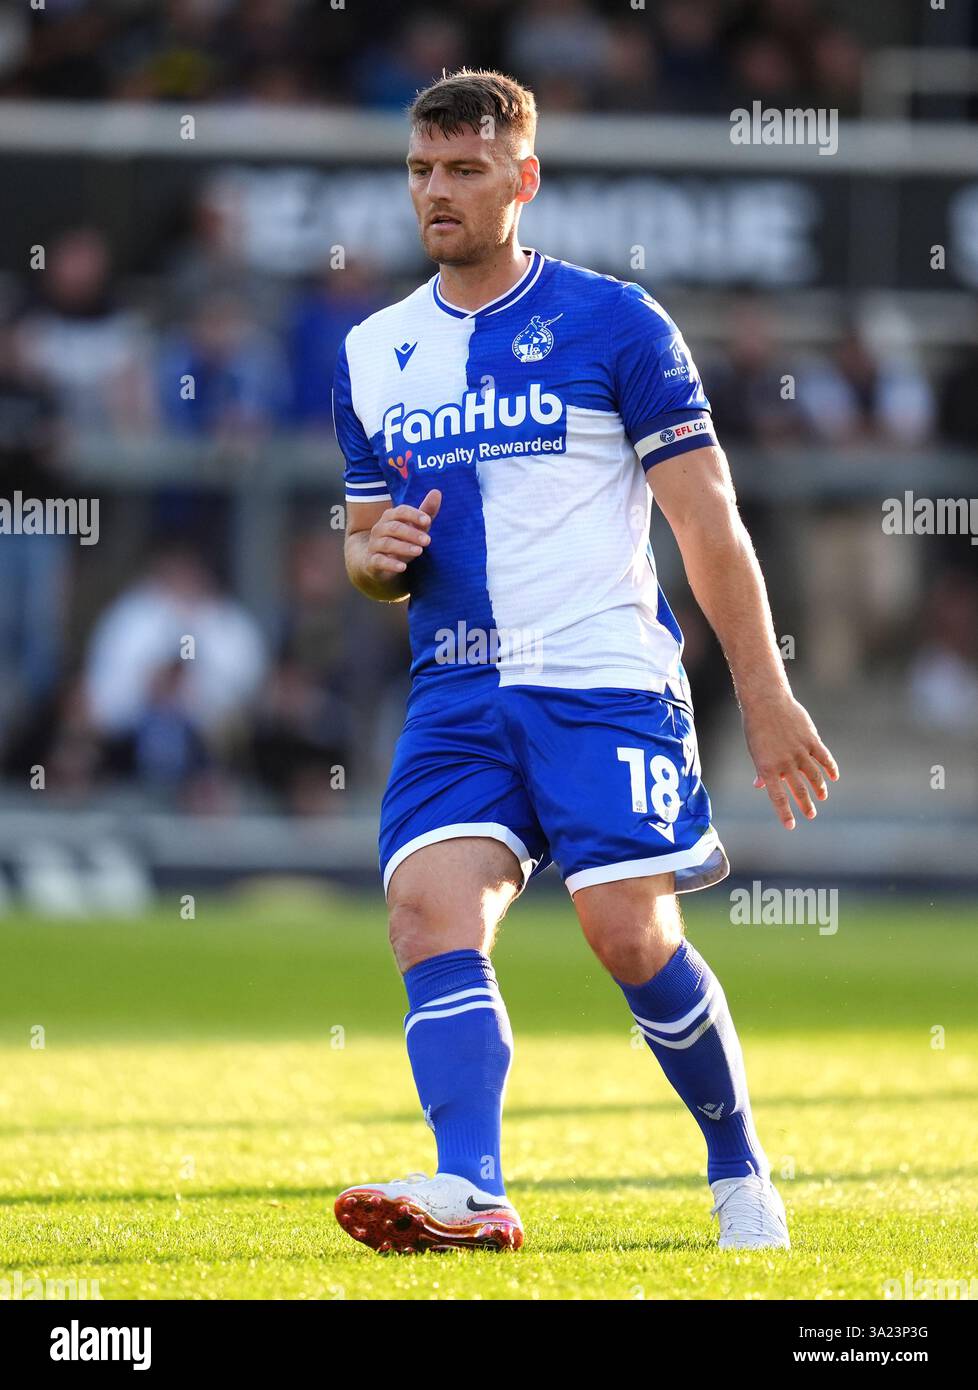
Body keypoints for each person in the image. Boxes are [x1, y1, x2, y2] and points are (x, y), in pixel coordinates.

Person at [332, 69, 838, 1256]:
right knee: (426, 911)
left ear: (525, 178)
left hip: (602, 675)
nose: (437, 192)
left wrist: (764, 695)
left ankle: (737, 1167)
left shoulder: (618, 324)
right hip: (458, 686)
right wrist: (375, 556)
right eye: (421, 170)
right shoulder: (374, 352)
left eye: (464, 169)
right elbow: (362, 544)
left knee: (628, 934)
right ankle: (472, 1187)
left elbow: (708, 520)